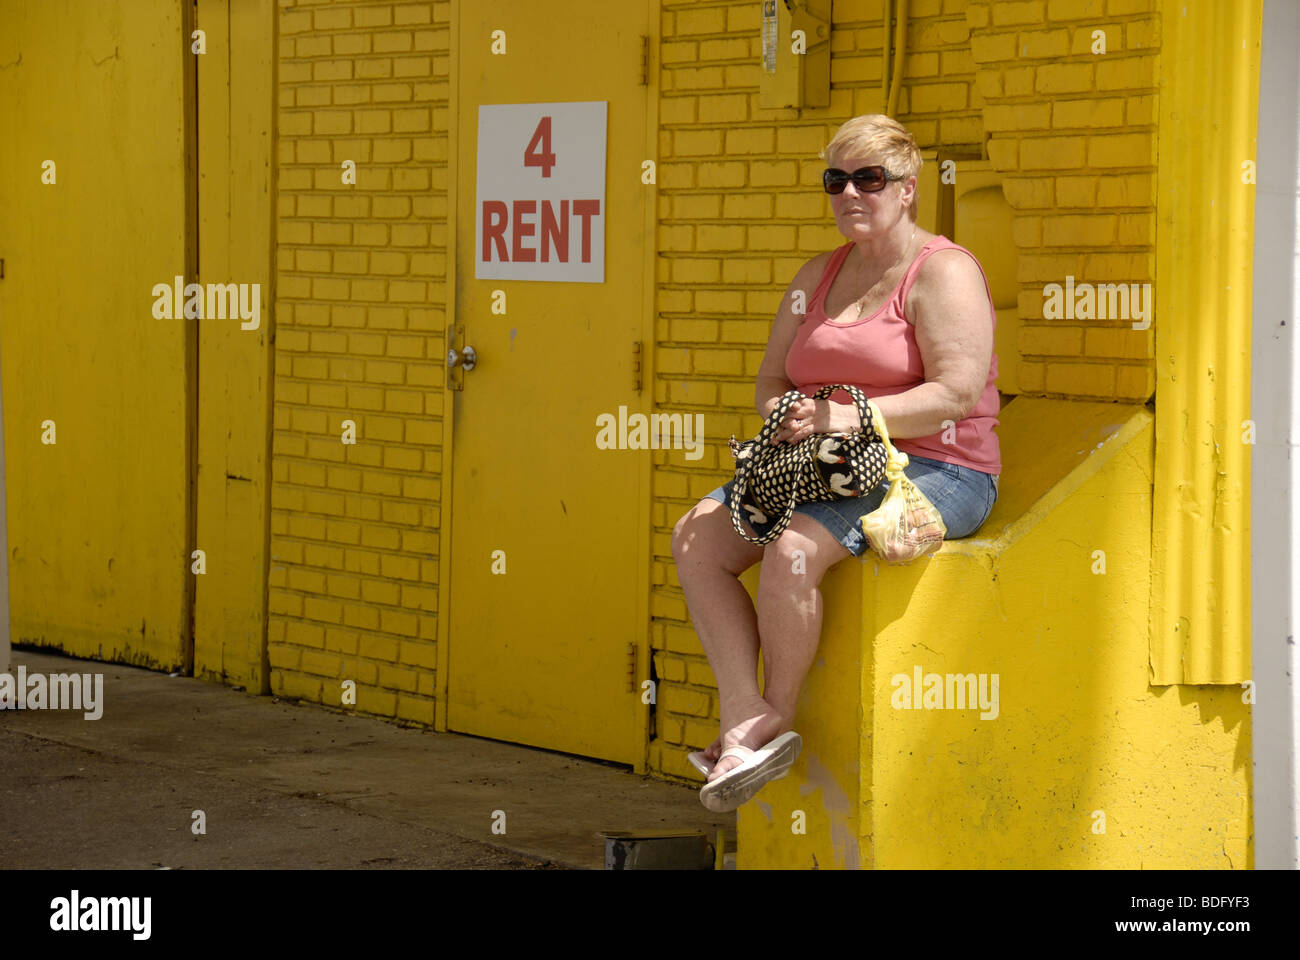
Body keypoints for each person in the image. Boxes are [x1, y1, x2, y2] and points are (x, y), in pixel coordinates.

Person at [671, 114, 1002, 812]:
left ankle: (771, 726)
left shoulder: (943, 271)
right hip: (823, 459)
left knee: (793, 547)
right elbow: (771, 378)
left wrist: (853, 416)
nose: (850, 193)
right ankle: (741, 710)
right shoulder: (817, 274)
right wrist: (785, 416)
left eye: (869, 179)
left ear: (907, 188)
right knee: (698, 535)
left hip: (939, 466)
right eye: (835, 180)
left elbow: (957, 392)